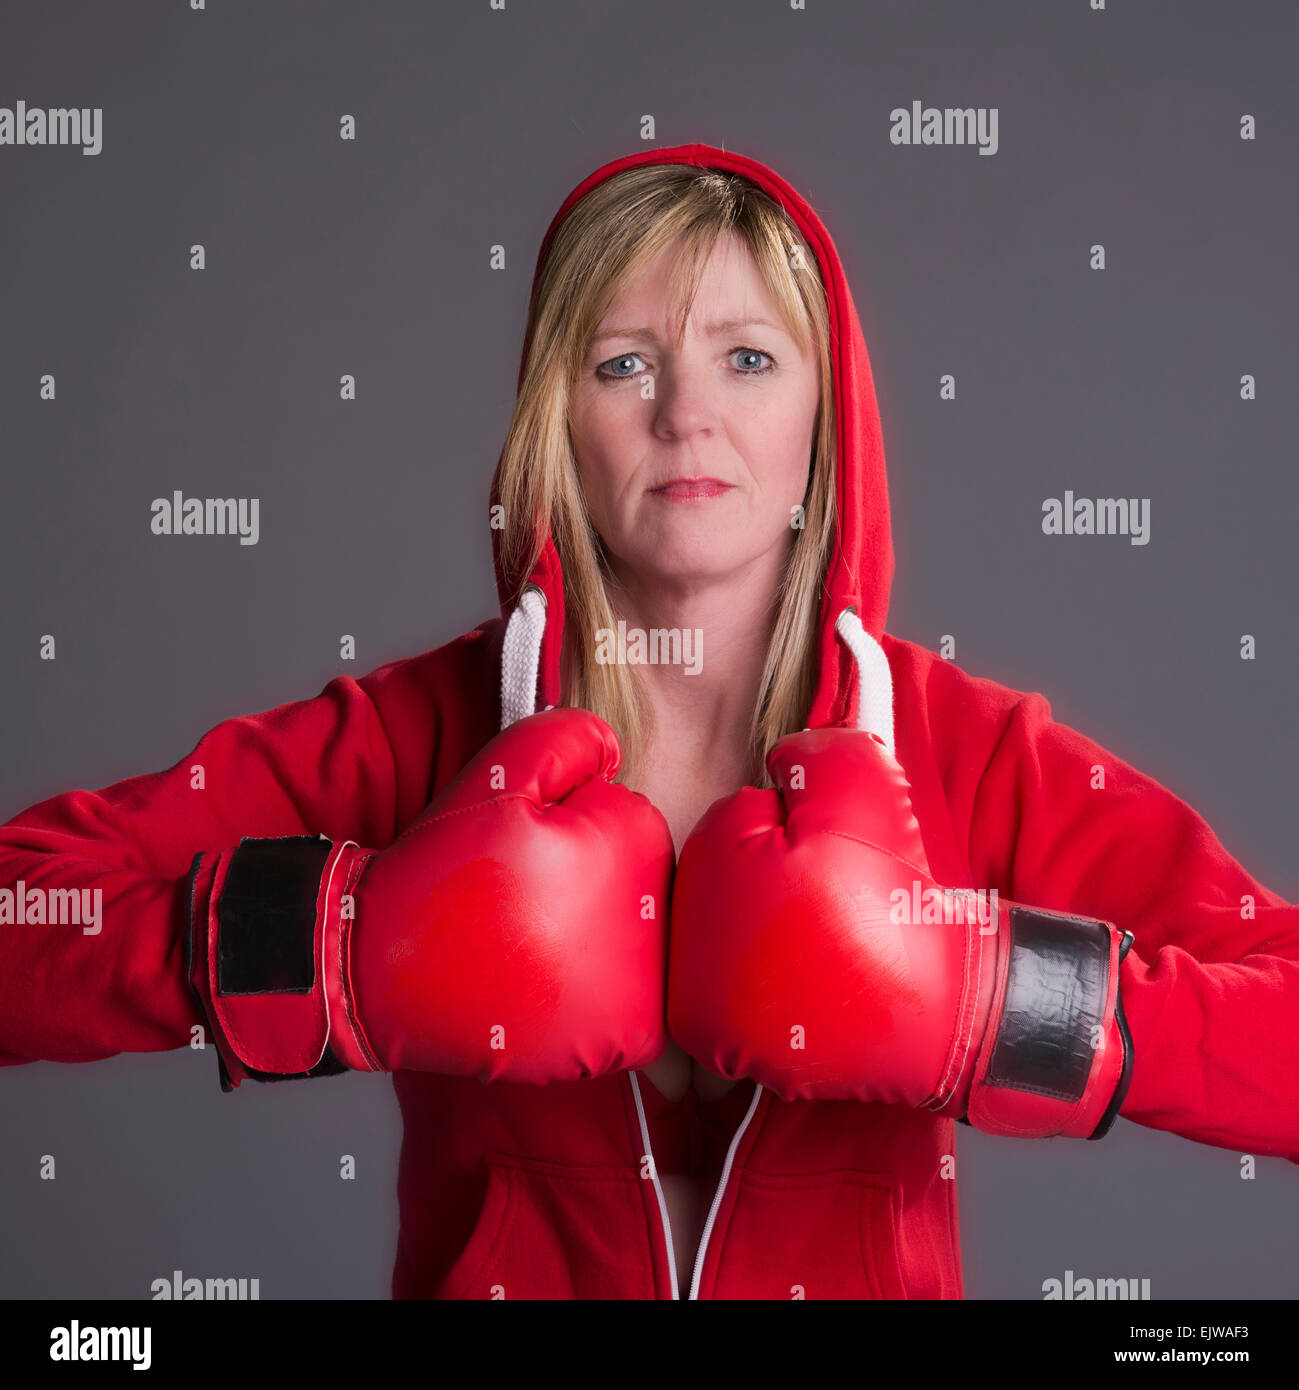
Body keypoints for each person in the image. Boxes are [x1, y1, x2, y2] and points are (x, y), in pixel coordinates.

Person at [1, 142, 1295, 1302]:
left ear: (825, 422)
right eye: (625, 362)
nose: (689, 412)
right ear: (559, 421)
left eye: (748, 357)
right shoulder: (423, 735)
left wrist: (992, 1001)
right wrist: (337, 952)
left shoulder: (964, 752)